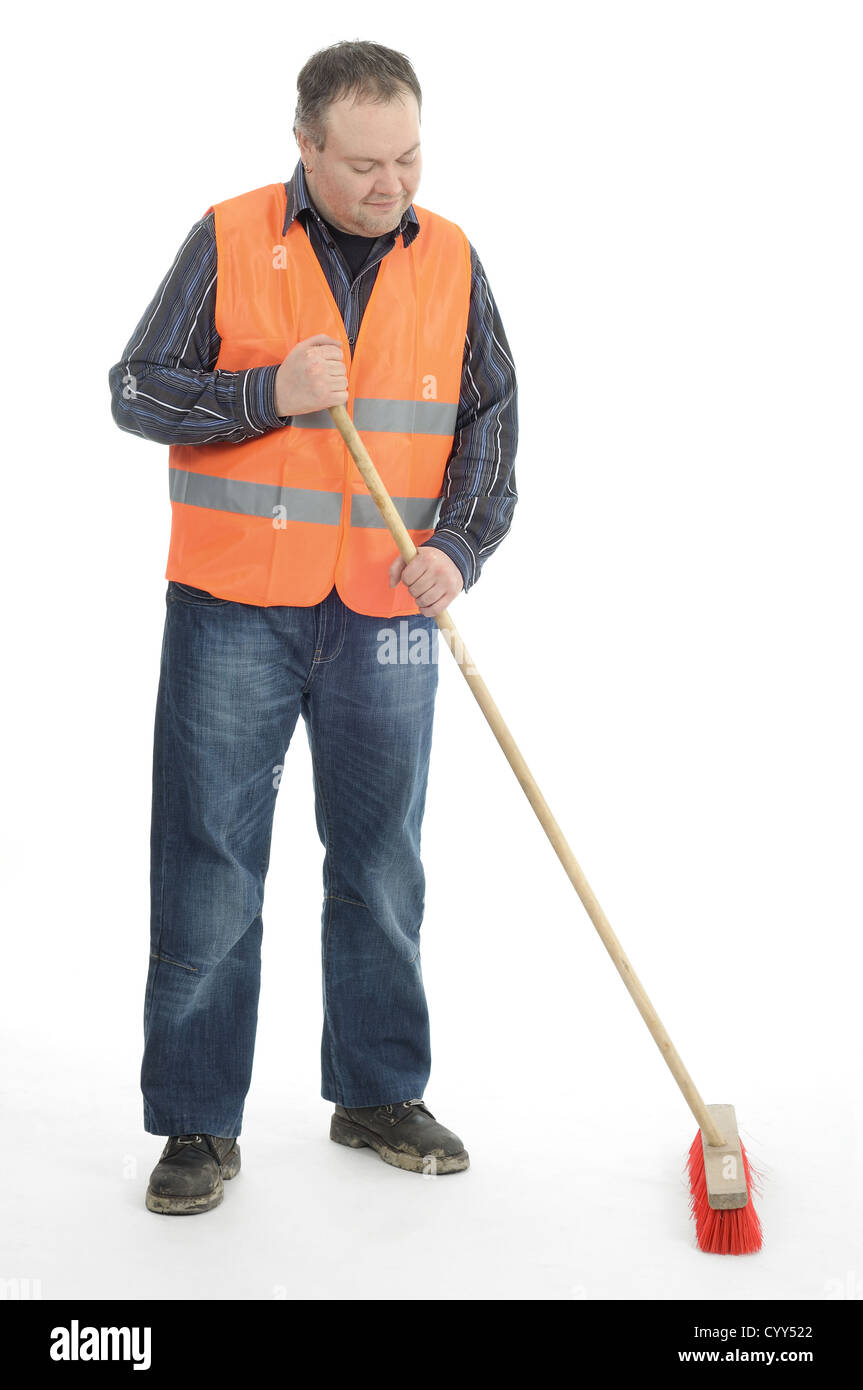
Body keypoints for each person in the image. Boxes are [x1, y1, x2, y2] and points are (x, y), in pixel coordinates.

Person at [108, 39, 518, 1215]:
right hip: (234, 611)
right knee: (210, 864)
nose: (389, 185)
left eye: (408, 158)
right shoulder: (232, 235)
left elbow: (489, 418)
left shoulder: (451, 261)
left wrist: (454, 546)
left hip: (386, 611)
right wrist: (261, 394)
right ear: (304, 145)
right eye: (361, 164)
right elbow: (136, 387)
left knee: (382, 861)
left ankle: (378, 1091)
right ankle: (195, 1123)